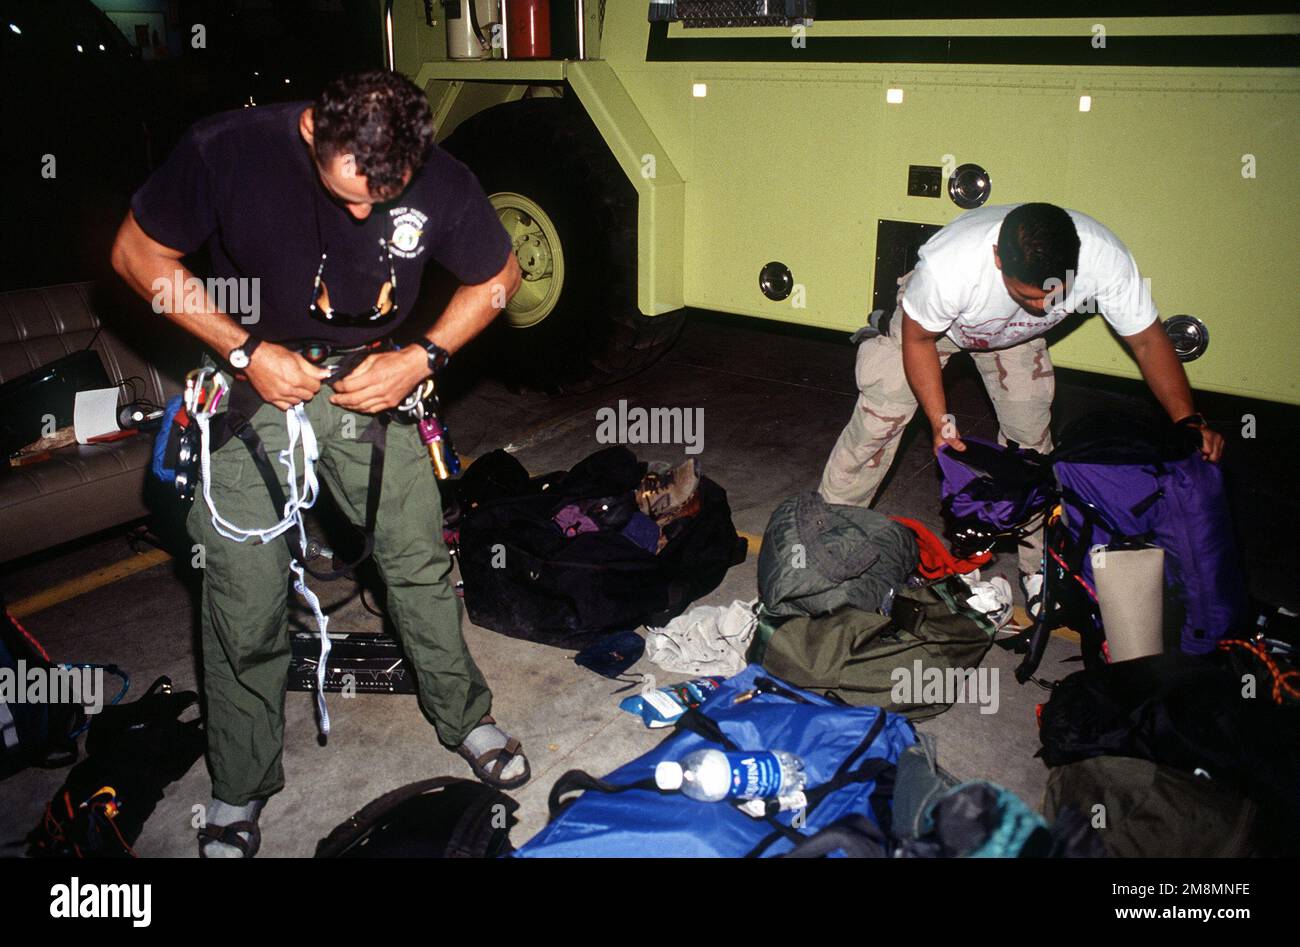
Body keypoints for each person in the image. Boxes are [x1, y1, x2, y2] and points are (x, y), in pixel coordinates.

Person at [110, 70, 526, 857]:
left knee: (416, 561)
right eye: (349, 194)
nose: (367, 211)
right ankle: (238, 784)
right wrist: (242, 347)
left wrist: (422, 355)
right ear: (311, 133)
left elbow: (499, 278)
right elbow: (137, 253)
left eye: (386, 195)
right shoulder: (227, 149)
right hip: (253, 380)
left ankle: (467, 717)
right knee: (243, 591)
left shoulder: (439, 174)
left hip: (374, 382)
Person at [819, 202, 1224, 614]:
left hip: (1013, 338)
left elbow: (1148, 341)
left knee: (1030, 443)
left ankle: (1039, 568)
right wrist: (941, 421)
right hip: (933, 328)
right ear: (997, 258)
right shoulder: (951, 266)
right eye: (1028, 295)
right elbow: (919, 341)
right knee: (879, 419)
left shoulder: (1104, 259)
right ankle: (823, 542)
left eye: (1054, 296)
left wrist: (1188, 420)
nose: (1041, 306)